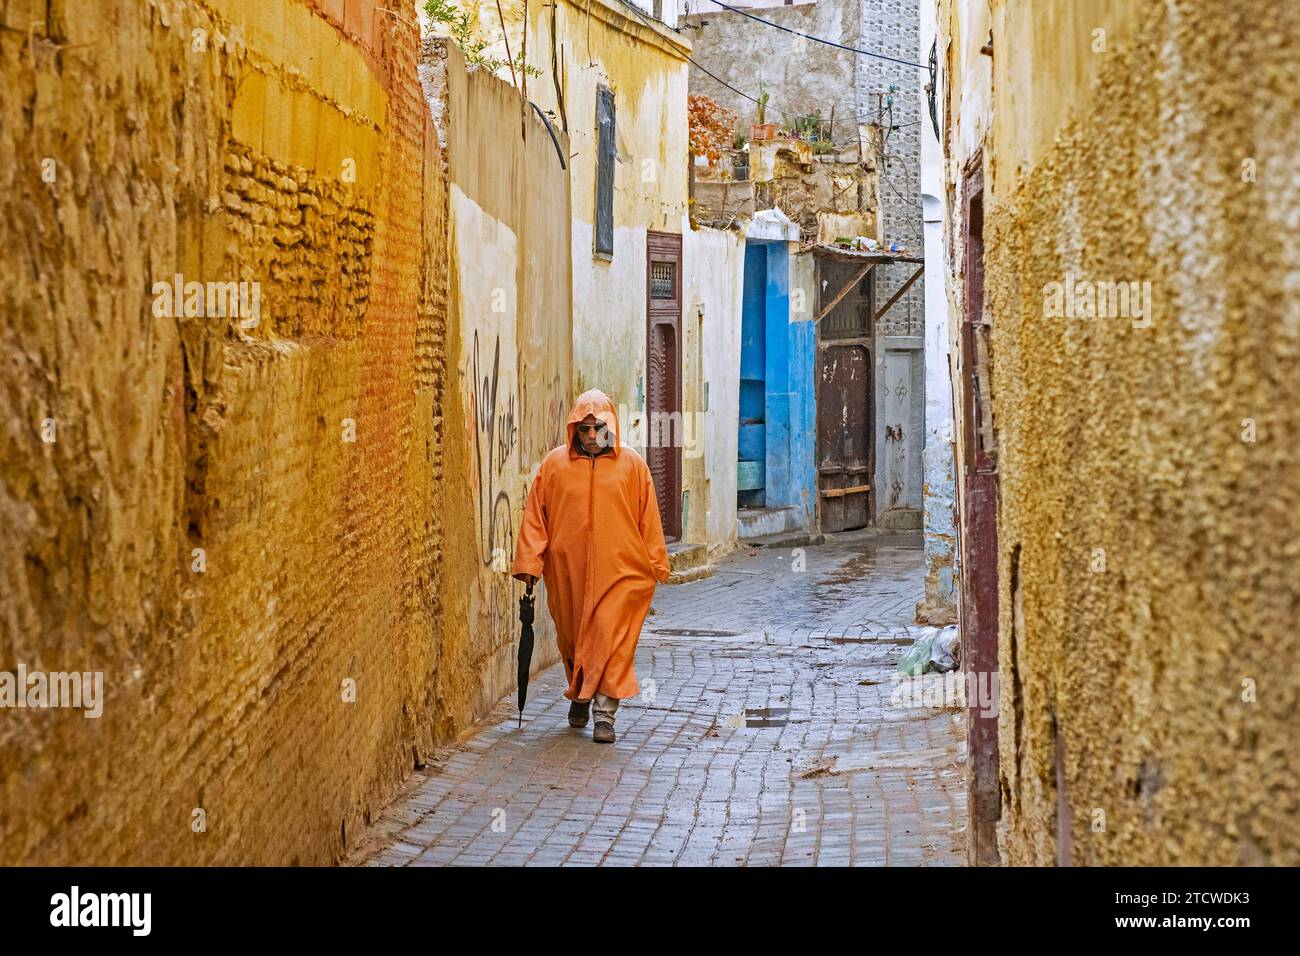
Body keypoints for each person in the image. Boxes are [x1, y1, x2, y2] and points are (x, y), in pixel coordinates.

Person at [511, 389, 671, 743]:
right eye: (585, 430)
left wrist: (657, 562)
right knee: (574, 637)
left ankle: (605, 714)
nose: (593, 436)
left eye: (599, 427)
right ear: (574, 430)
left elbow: (649, 519)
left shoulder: (633, 466)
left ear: (611, 425)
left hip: (622, 573)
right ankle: (580, 693)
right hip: (568, 571)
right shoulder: (554, 466)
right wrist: (529, 563)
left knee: (611, 639)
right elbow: (536, 518)